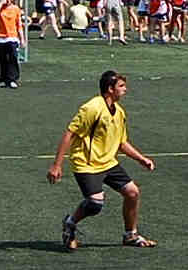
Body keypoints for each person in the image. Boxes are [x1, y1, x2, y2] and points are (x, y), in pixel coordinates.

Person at [50, 70, 158, 250]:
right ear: (110, 89)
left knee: (133, 193)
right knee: (95, 204)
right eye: (121, 86)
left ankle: (130, 234)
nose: (126, 90)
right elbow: (70, 133)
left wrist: (141, 159)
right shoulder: (92, 108)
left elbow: (121, 142)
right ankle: (70, 223)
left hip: (108, 163)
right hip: (86, 163)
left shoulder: (120, 113)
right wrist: (57, 165)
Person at [0, 0, 24, 89]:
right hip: (1, 38)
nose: (6, 0)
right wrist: (1, 4)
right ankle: (3, 79)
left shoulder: (16, 9)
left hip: (12, 37)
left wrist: (22, 38)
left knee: (13, 58)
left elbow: (19, 25)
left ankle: (12, 79)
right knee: (2, 60)